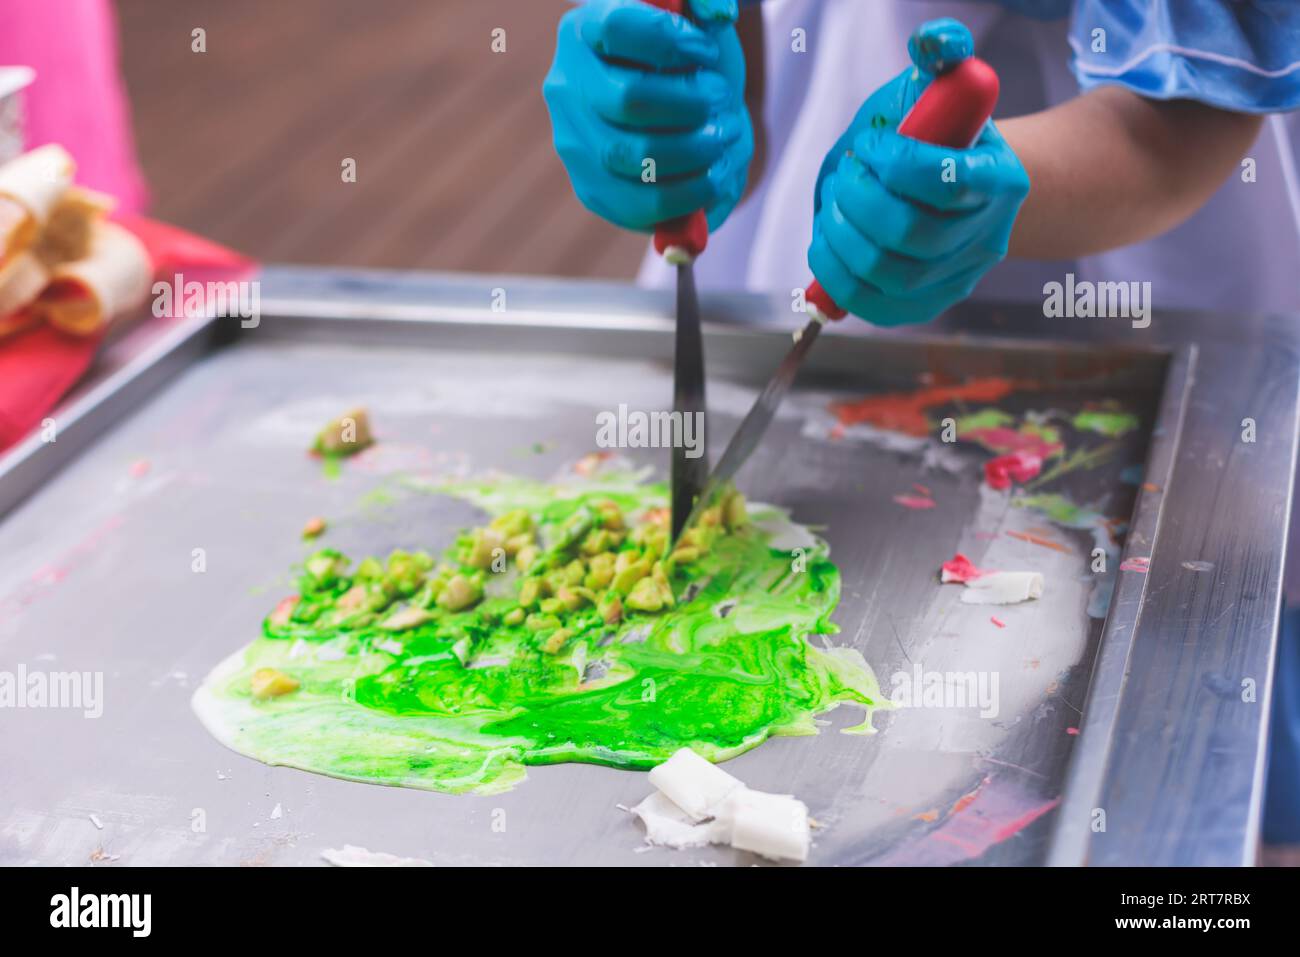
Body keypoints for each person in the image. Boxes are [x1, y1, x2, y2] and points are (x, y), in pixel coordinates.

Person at [543, 0, 1300, 855]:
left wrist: (969, 191)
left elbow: (1182, 109)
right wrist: (670, 79)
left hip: (1128, 254)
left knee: (1177, 783)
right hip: (801, 213)